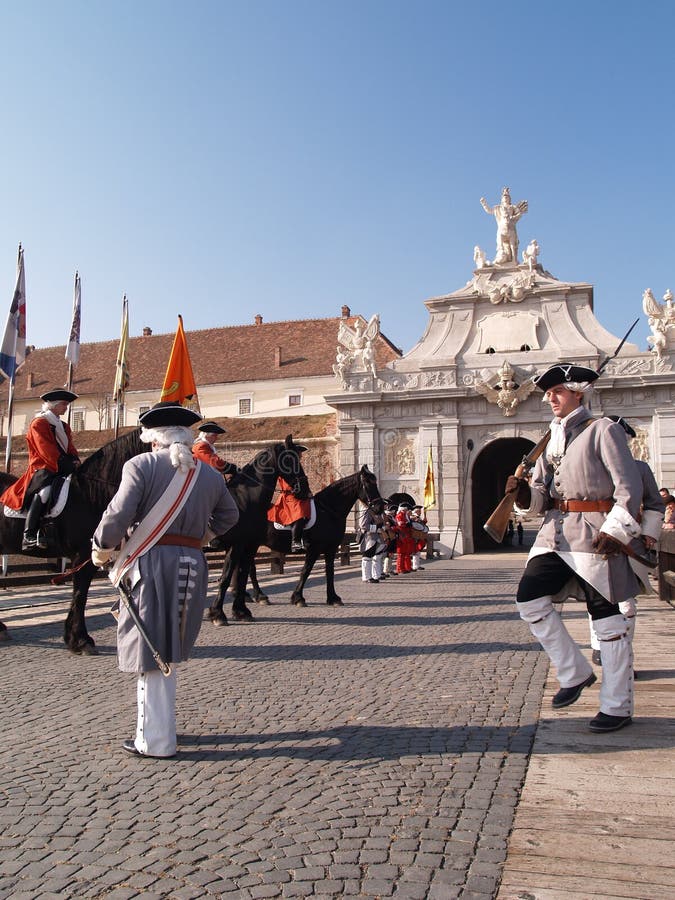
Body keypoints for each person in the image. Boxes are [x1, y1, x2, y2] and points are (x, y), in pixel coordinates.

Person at [91, 402, 239, 759]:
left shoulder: (140, 465)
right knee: (169, 647)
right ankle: (163, 727)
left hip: (152, 564)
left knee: (150, 649)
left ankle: (155, 741)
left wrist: (101, 546)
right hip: (192, 564)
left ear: (153, 439)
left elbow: (117, 514)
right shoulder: (210, 475)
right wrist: (199, 536)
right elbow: (230, 516)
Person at [506, 363, 644, 734]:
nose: (550, 398)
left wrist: (617, 530)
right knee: (529, 598)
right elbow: (540, 500)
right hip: (554, 535)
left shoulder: (604, 430)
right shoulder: (549, 439)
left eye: (558, 392)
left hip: (597, 534)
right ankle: (574, 671)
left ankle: (618, 705)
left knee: (608, 619)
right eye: (548, 394)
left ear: (578, 393)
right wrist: (523, 495)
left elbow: (628, 488)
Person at [588, 415, 665, 669]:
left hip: (629, 544)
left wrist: (650, 532)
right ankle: (599, 646)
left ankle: (623, 659)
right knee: (598, 598)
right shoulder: (591, 467)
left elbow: (654, 503)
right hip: (596, 542)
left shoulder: (640, 468)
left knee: (627, 605)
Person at [0, 388, 80, 550]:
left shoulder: (63, 426)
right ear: (54, 405)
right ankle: (29, 535)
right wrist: (65, 464)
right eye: (64, 404)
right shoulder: (39, 423)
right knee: (45, 492)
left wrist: (75, 460)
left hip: (62, 467)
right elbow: (46, 451)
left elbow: (69, 447)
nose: (66, 407)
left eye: (66, 404)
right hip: (42, 468)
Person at [267, 443, 312, 552]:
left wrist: (308, 492)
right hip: (290, 495)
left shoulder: (296, 465)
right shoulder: (287, 466)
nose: (301, 455)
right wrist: (294, 488)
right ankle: (295, 542)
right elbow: (287, 481)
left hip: (299, 494)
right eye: (299, 452)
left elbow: (302, 481)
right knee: (300, 513)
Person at [480, 187, 528, 265]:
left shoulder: (512, 207)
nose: (506, 199)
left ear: (509, 199)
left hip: (511, 228)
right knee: (500, 241)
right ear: (502, 199)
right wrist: (484, 203)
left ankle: (514, 259)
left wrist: (513, 217)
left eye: (507, 197)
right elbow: (489, 210)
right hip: (501, 227)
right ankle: (501, 253)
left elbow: (519, 214)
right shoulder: (498, 207)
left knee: (512, 245)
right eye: (504, 197)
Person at [359, 498, 386, 583]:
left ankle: (373, 575)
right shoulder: (367, 512)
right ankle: (366, 577)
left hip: (376, 537)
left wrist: (382, 529)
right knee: (367, 557)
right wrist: (377, 529)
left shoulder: (375, 513)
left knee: (372, 557)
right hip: (369, 537)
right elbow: (363, 525)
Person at [395, 503, 415, 574]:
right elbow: (400, 524)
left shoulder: (405, 515)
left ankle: (406, 567)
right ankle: (400, 568)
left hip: (406, 536)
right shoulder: (400, 515)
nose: (407, 511)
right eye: (405, 509)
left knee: (406, 553)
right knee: (401, 554)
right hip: (402, 536)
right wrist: (406, 524)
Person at [410, 505, 429, 571]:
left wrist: (424, 521)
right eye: (419, 511)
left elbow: (422, 525)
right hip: (415, 536)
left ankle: (417, 565)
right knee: (415, 551)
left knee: (417, 551)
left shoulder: (418, 517)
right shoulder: (412, 517)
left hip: (419, 536)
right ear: (416, 511)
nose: (420, 512)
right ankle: (414, 566)